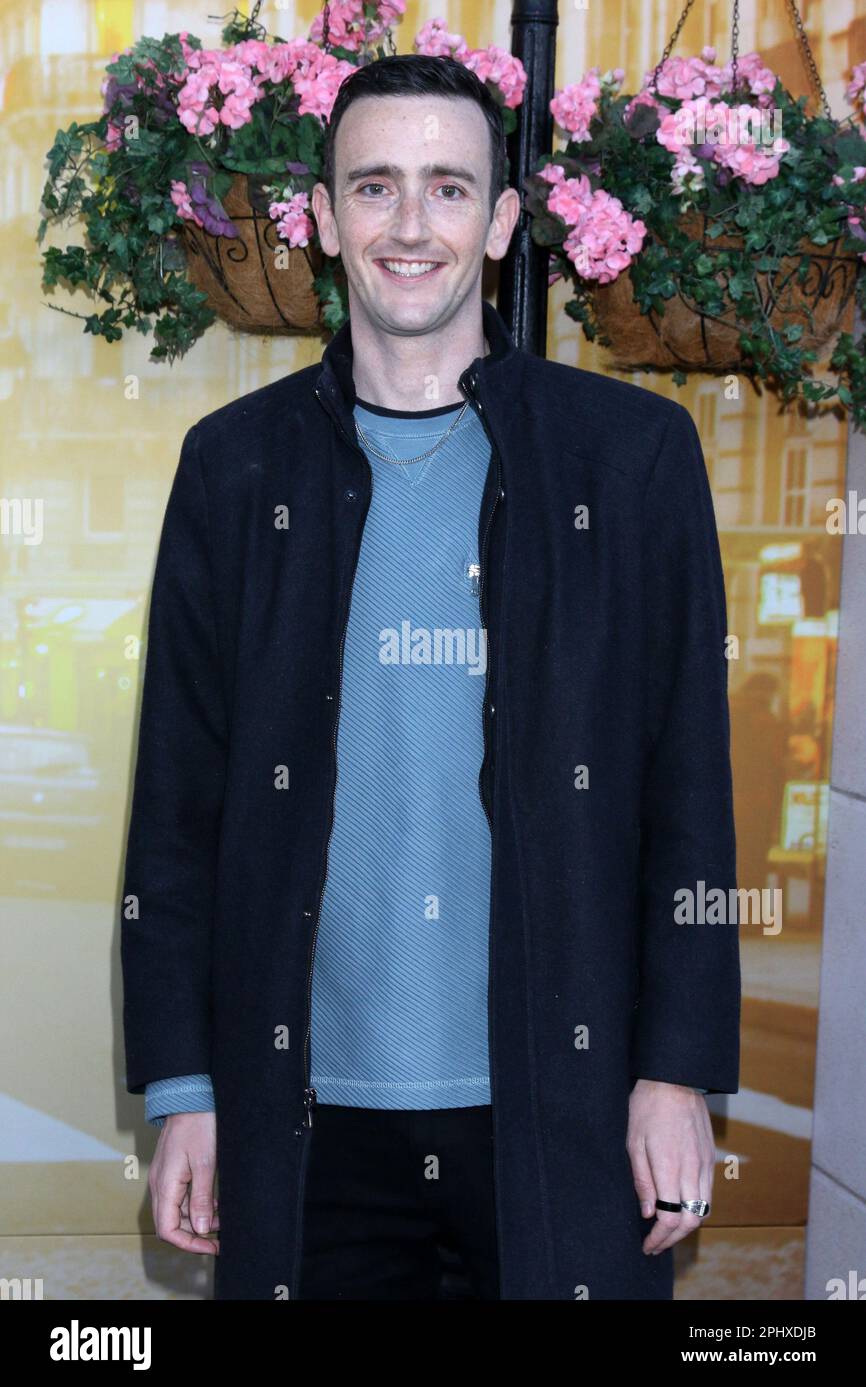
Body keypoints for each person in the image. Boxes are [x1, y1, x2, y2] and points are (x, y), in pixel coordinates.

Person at [121, 53, 740, 1302]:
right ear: (326, 219)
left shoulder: (630, 462)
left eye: (450, 188)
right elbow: (180, 805)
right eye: (376, 187)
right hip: (304, 1117)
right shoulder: (233, 470)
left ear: (503, 222)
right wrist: (186, 1089)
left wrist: (675, 1072)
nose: (411, 226)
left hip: (561, 1106)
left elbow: (688, 795)